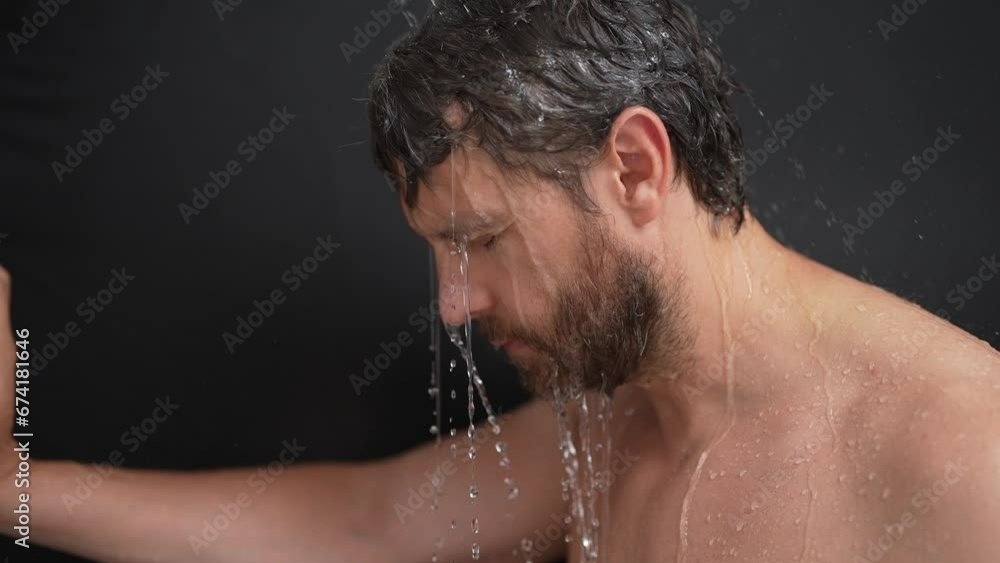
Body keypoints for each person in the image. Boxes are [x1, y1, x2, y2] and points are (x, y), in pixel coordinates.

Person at [3, 0, 999, 561]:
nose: (452, 302)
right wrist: (12, 490)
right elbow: (363, 523)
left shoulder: (963, 455)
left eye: (482, 239)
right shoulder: (619, 415)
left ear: (636, 169)